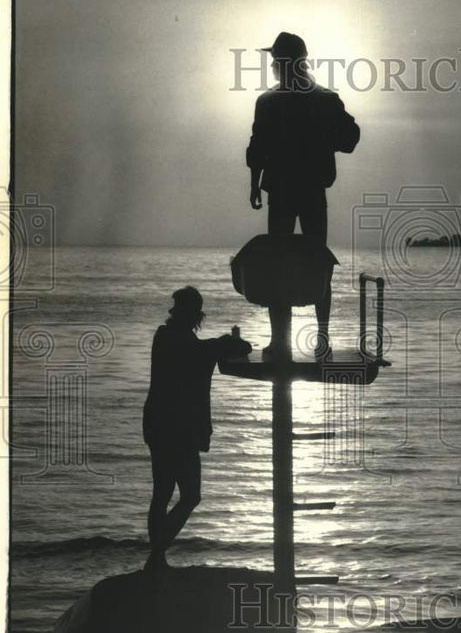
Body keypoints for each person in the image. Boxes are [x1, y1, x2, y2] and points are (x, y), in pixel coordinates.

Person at [246, 31, 360, 359]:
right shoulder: (325, 99)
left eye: (274, 61)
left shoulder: (269, 102)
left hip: (283, 191)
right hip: (310, 191)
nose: (272, 66)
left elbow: (257, 149)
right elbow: (350, 138)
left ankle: (280, 341)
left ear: (284, 63)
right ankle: (320, 339)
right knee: (318, 263)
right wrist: (325, 137)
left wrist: (255, 184)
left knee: (279, 265)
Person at [142, 287, 251, 570]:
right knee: (190, 495)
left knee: (162, 494)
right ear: (195, 315)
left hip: (158, 423)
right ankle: (157, 553)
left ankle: (157, 557)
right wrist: (228, 340)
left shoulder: (163, 337)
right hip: (179, 429)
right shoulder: (190, 345)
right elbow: (237, 348)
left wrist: (221, 342)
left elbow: (200, 351)